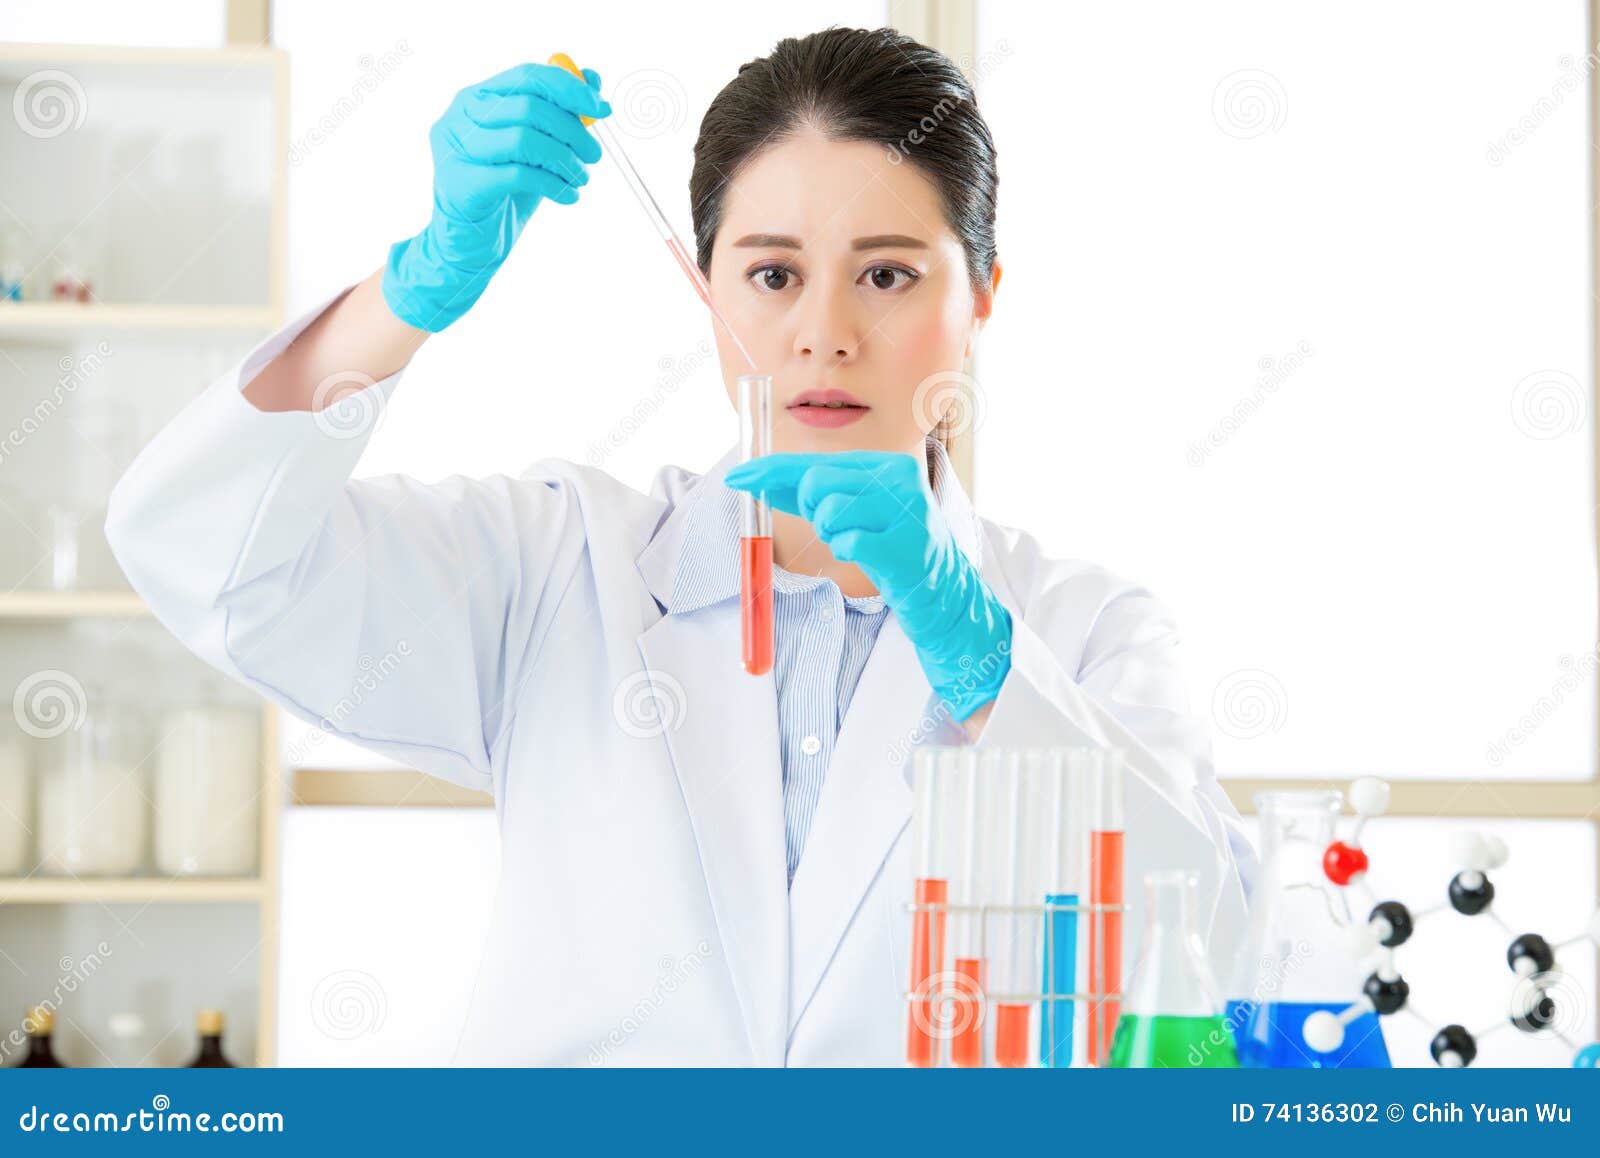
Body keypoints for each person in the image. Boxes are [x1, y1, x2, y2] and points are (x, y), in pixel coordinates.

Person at [106, 27, 1255, 1065]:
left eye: (889, 275)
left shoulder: (1084, 631)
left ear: (984, 293)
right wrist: (409, 292)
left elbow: (1204, 951)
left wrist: (985, 663)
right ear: (702, 288)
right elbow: (204, 554)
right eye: (770, 274)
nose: (823, 336)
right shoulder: (558, 567)